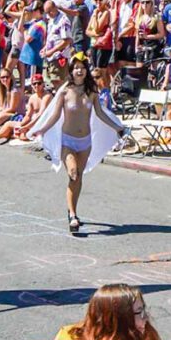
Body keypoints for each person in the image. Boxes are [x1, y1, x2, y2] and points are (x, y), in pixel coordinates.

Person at [26, 57, 128, 232]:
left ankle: (73, 210)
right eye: (76, 68)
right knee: (73, 173)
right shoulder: (65, 92)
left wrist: (118, 128)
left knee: (78, 177)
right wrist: (41, 129)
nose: (79, 71)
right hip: (68, 140)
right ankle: (72, 215)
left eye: (82, 68)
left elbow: (101, 114)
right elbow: (55, 115)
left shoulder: (92, 91)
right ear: (71, 72)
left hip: (85, 141)